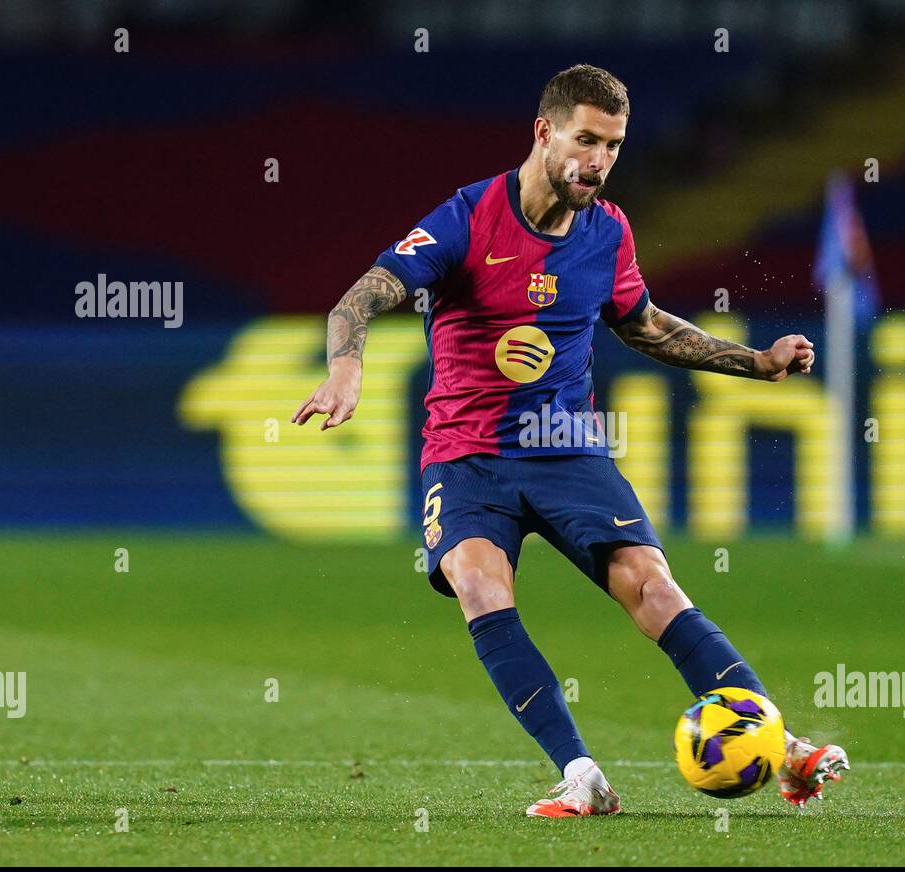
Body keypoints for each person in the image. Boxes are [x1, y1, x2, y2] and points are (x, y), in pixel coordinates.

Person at [293, 64, 848, 817]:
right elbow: (359, 298)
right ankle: (580, 774)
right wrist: (346, 370)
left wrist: (755, 362)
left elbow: (644, 325)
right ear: (544, 132)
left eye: (613, 146)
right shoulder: (467, 217)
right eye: (585, 140)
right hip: (466, 454)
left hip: (566, 448)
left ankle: (780, 747)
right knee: (478, 584)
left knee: (651, 584)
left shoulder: (608, 231)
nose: (598, 160)